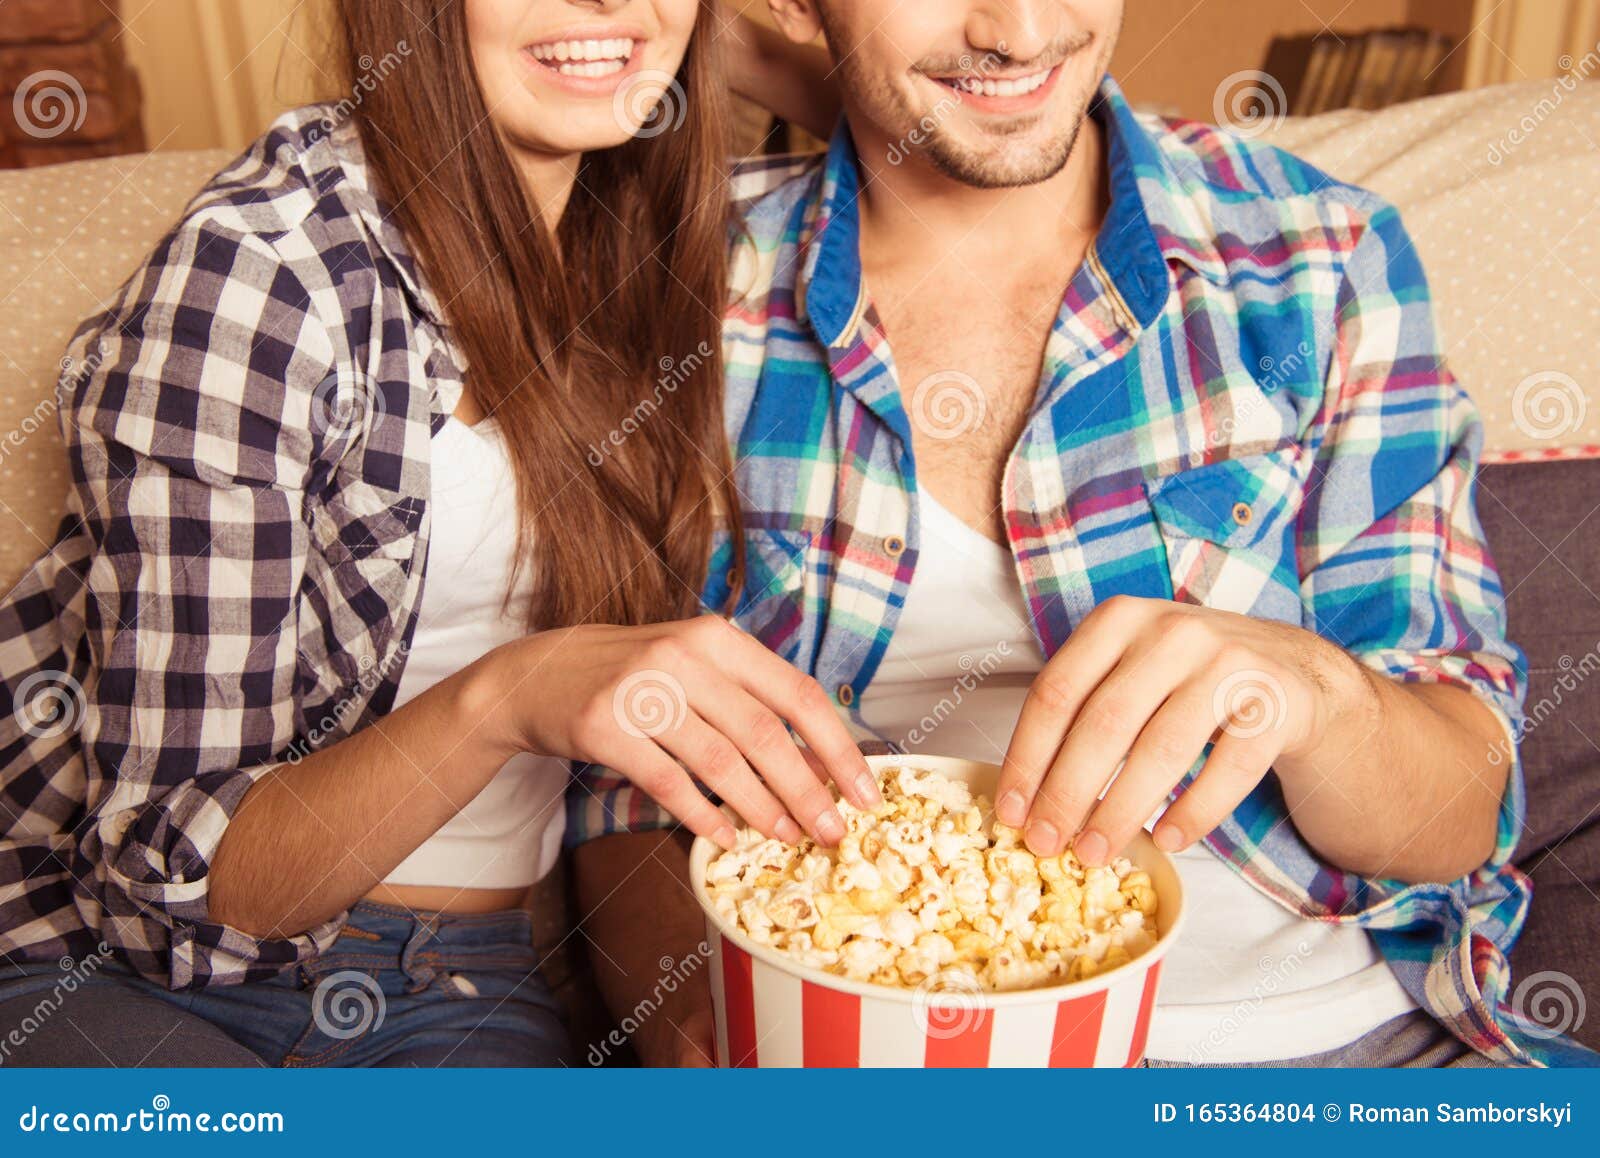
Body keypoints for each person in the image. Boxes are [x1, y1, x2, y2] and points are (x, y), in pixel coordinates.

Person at [570, 0, 1585, 1068]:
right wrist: (698, 1022)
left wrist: (1309, 691)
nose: (1016, 30)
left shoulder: (1321, 255)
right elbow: (622, 788)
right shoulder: (679, 294)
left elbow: (1464, 809)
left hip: (1345, 1054)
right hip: (895, 1059)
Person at [0, 0, 875, 1068]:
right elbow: (169, 899)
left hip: (457, 978)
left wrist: (671, 34)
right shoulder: (263, 273)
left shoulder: (653, 219)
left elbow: (944, 117)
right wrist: (508, 700)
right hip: (107, 967)